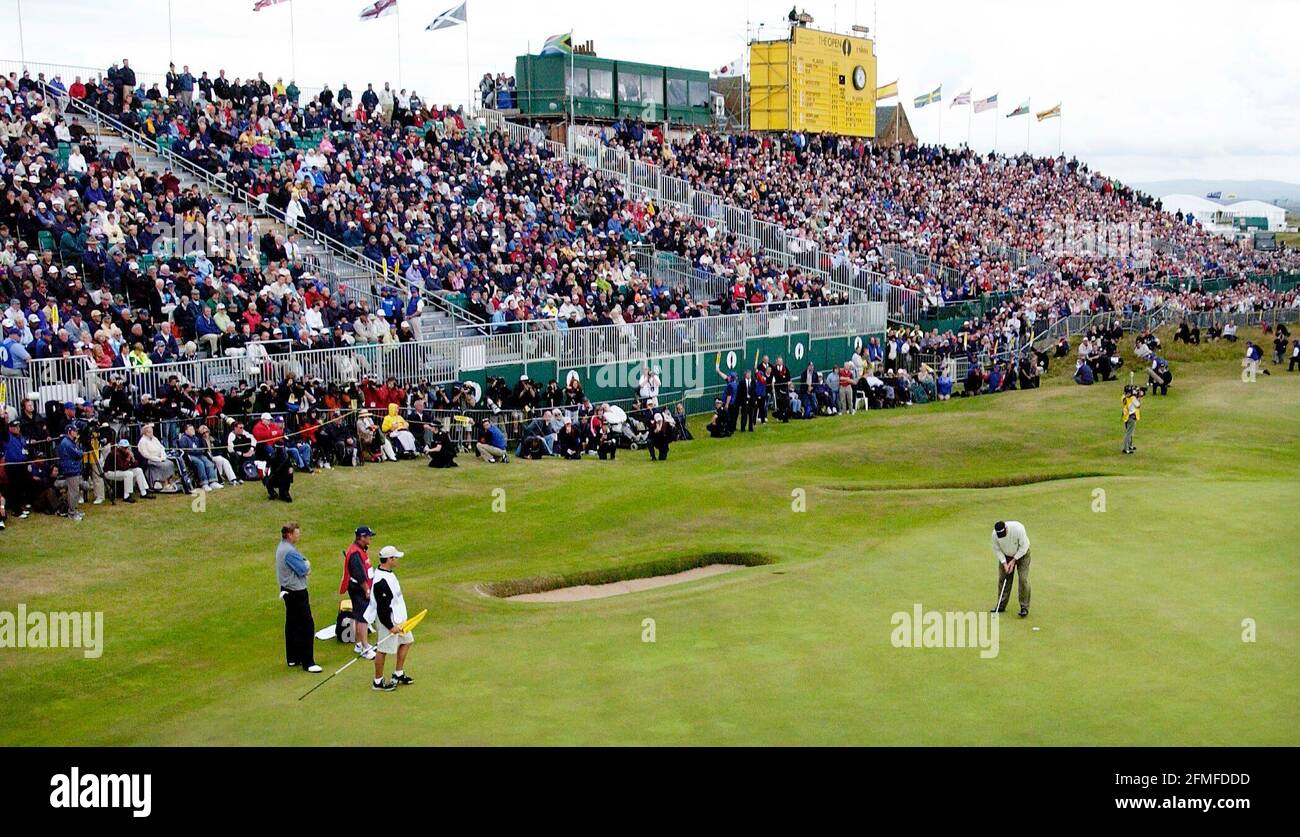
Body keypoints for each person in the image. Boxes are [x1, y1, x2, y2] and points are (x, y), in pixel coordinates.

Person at [365, 545, 415, 691]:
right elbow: (382, 608)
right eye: (395, 557)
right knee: (383, 649)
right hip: (388, 620)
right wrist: (390, 626)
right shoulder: (381, 581)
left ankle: (398, 673)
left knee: (407, 641)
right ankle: (378, 681)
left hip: (399, 618)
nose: (397, 559)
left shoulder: (388, 573)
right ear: (389, 559)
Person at [276, 522, 321, 673]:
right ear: (289, 534)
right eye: (296, 533)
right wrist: (306, 564)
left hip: (288, 590)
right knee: (307, 625)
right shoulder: (289, 551)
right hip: (296, 592)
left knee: (292, 624)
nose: (298, 535)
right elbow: (304, 570)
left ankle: (293, 658)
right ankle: (308, 662)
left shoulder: (283, 547)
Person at [340, 525, 377, 659]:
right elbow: (359, 574)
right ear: (362, 537)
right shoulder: (355, 553)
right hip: (359, 588)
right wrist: (367, 590)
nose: (370, 539)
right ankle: (365, 647)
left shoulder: (359, 549)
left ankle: (359, 644)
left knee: (358, 615)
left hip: (358, 587)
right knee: (363, 617)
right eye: (368, 536)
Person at [991, 520, 1031, 617]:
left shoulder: (1018, 529)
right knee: (1003, 579)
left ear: (1006, 528)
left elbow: (1024, 547)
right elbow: (997, 549)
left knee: (1023, 579)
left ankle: (1024, 607)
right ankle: (1001, 605)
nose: (1002, 536)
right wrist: (1004, 563)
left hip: (1022, 555)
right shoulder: (995, 535)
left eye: (1004, 534)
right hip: (1006, 555)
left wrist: (1013, 561)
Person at [1121, 385, 1142, 455]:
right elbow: (1138, 405)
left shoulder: (1123, 397)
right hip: (1131, 417)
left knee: (1130, 432)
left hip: (1125, 417)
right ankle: (1126, 448)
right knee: (1129, 433)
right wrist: (1139, 397)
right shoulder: (1132, 398)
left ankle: (1130, 446)